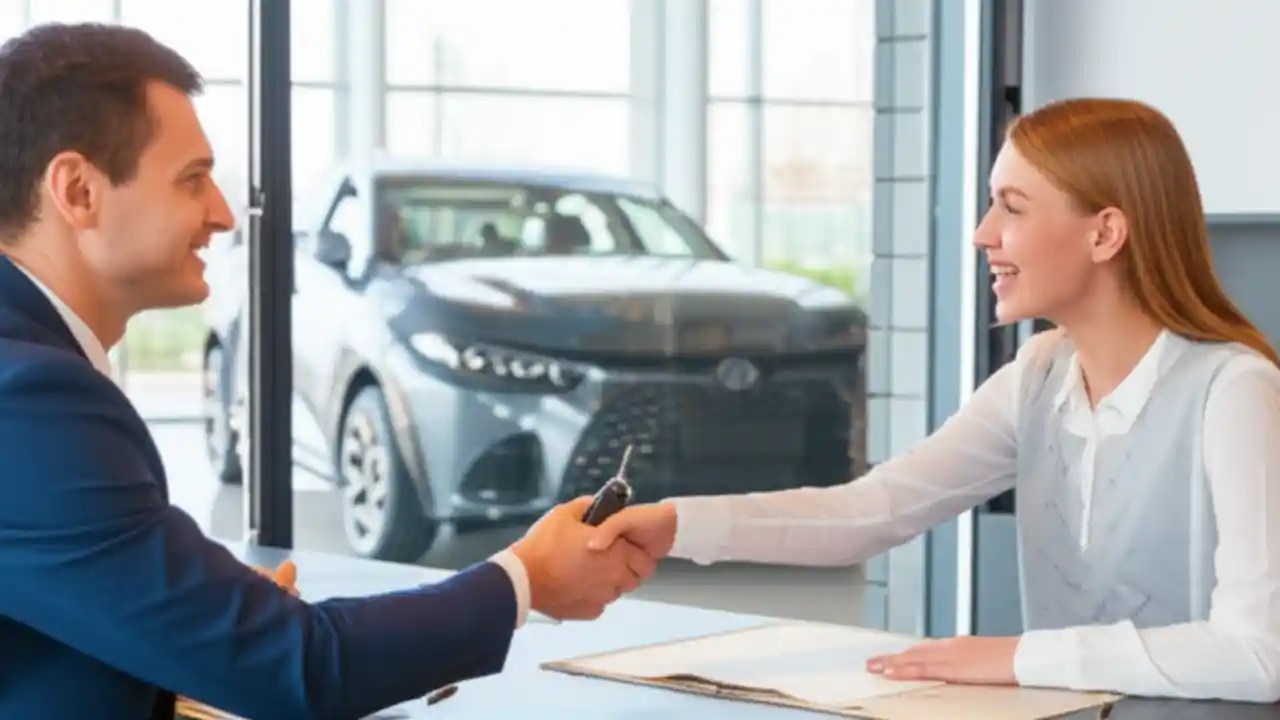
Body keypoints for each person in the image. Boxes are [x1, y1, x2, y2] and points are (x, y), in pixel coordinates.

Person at [0, 23, 655, 720]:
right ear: (77, 191)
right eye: (193, 180)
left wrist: (204, 620)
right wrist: (530, 578)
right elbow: (303, 667)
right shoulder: (32, 401)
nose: (223, 215)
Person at [590, 97, 1280, 704]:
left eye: (1011, 207)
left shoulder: (1235, 391)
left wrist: (1013, 657)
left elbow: (1261, 653)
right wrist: (675, 525)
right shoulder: (1037, 375)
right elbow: (870, 511)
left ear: (1105, 233)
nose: (983, 233)